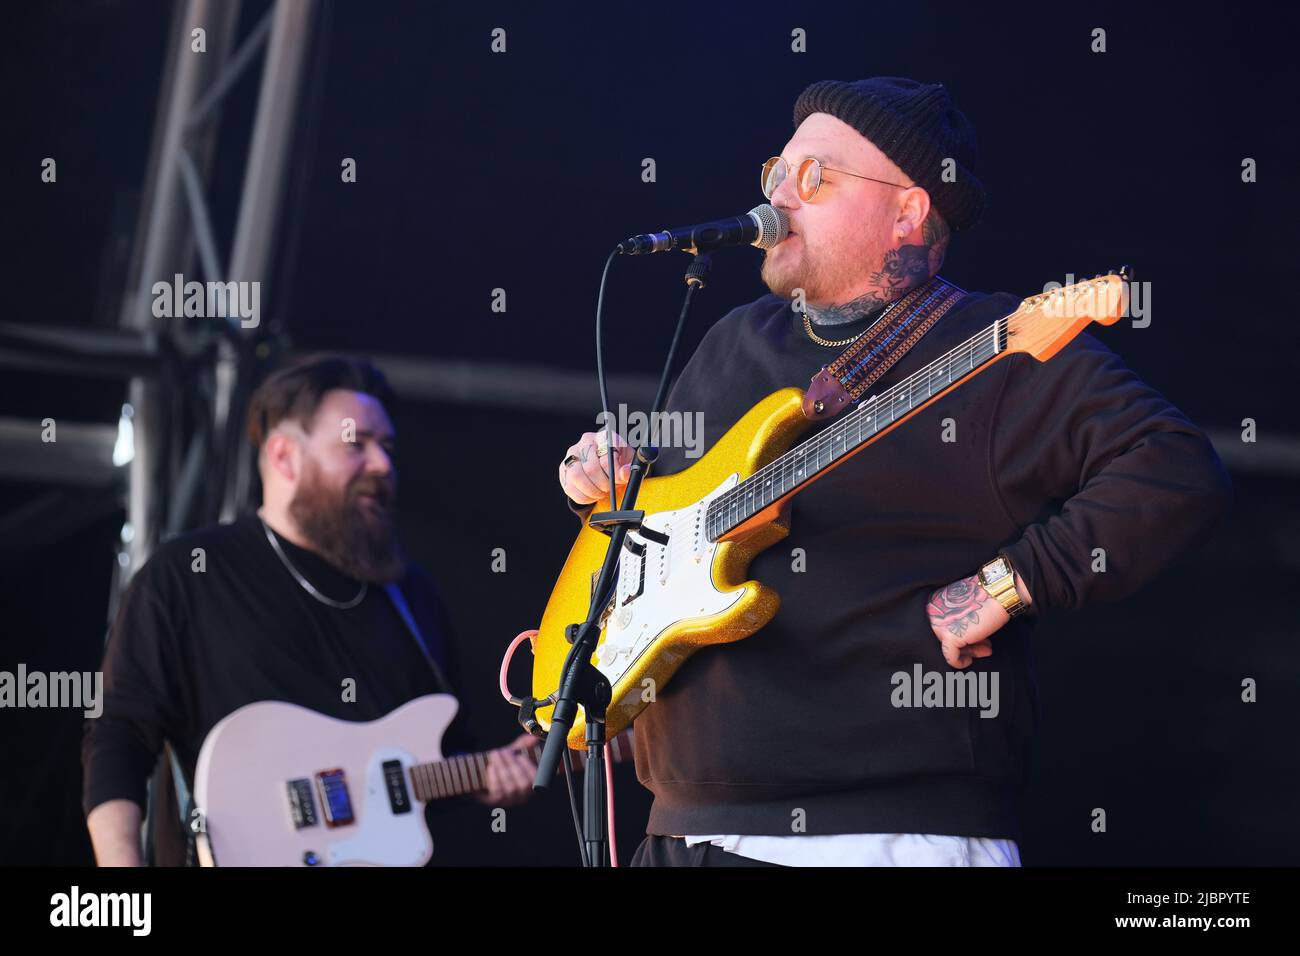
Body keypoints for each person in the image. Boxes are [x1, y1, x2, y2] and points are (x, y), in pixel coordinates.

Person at [557, 77, 1232, 866]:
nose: (778, 194)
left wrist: (1011, 582)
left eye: (816, 177)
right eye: (778, 169)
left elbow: (1176, 469)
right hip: (682, 830)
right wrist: (602, 487)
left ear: (908, 210)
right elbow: (666, 531)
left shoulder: (998, 345)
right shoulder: (734, 339)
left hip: (883, 839)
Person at [83, 354, 536, 866]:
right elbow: (119, 733)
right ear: (284, 457)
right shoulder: (191, 573)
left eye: (387, 446)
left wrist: (491, 780)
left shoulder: (412, 598)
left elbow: (444, 758)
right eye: (355, 443)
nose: (383, 464)